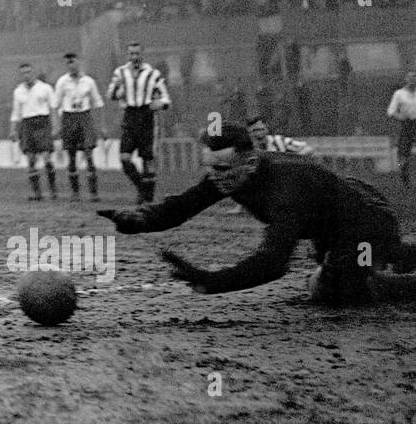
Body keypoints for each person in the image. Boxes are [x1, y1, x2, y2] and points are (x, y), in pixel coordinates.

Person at [97, 124, 416, 305]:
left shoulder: (286, 190)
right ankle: (386, 258)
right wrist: (138, 220)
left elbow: (273, 263)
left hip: (368, 224)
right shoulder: (231, 174)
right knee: (329, 275)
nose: (213, 178)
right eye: (209, 168)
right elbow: (183, 205)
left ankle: (396, 266)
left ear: (249, 162)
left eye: (220, 168)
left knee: (336, 291)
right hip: (334, 223)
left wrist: (212, 281)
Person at [107, 41, 170, 203]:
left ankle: (148, 199)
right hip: (130, 115)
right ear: (127, 54)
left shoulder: (153, 74)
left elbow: (165, 98)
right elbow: (111, 95)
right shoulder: (120, 72)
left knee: (147, 159)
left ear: (142, 54)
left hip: (146, 115)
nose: (134, 57)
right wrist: (117, 90)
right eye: (131, 54)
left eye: (137, 53)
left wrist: (160, 103)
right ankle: (142, 188)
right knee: (124, 158)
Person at [52, 51, 104, 199]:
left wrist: (101, 125)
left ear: (78, 62)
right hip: (69, 117)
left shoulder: (88, 81)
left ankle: (93, 193)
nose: (71, 65)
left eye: (73, 61)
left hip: (84, 116)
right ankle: (75, 192)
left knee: (88, 153)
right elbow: (55, 105)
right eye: (68, 63)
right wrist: (56, 126)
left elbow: (98, 103)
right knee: (72, 155)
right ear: (66, 65)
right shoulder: (62, 82)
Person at [9, 62, 58, 201]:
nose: (27, 75)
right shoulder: (18, 91)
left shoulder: (45, 88)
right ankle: (37, 193)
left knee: (47, 158)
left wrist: (55, 127)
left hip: (42, 122)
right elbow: (16, 113)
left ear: (34, 73)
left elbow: (53, 108)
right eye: (24, 73)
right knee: (31, 160)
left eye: (29, 72)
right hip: (27, 124)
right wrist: (13, 129)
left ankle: (53, 190)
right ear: (21, 74)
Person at [386, 70, 416, 189]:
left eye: (415, 77)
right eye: (411, 77)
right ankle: (404, 178)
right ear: (406, 79)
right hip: (407, 124)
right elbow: (390, 111)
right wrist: (400, 116)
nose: (413, 79)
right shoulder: (399, 94)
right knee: (403, 153)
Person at [246, 116, 313, 156]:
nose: (258, 133)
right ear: (249, 132)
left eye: (261, 129)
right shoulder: (245, 146)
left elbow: (307, 149)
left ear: (267, 129)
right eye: (254, 130)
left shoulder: (278, 140)